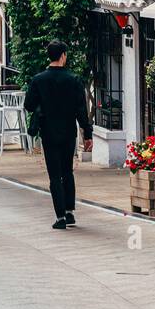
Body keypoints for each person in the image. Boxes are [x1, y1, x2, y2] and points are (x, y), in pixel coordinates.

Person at [24, 39, 92, 231]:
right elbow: (81, 110)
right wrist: (87, 134)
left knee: (54, 175)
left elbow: (28, 105)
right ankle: (70, 212)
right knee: (67, 171)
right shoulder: (74, 80)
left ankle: (60, 216)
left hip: (48, 131)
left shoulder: (38, 80)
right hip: (68, 131)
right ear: (63, 56)